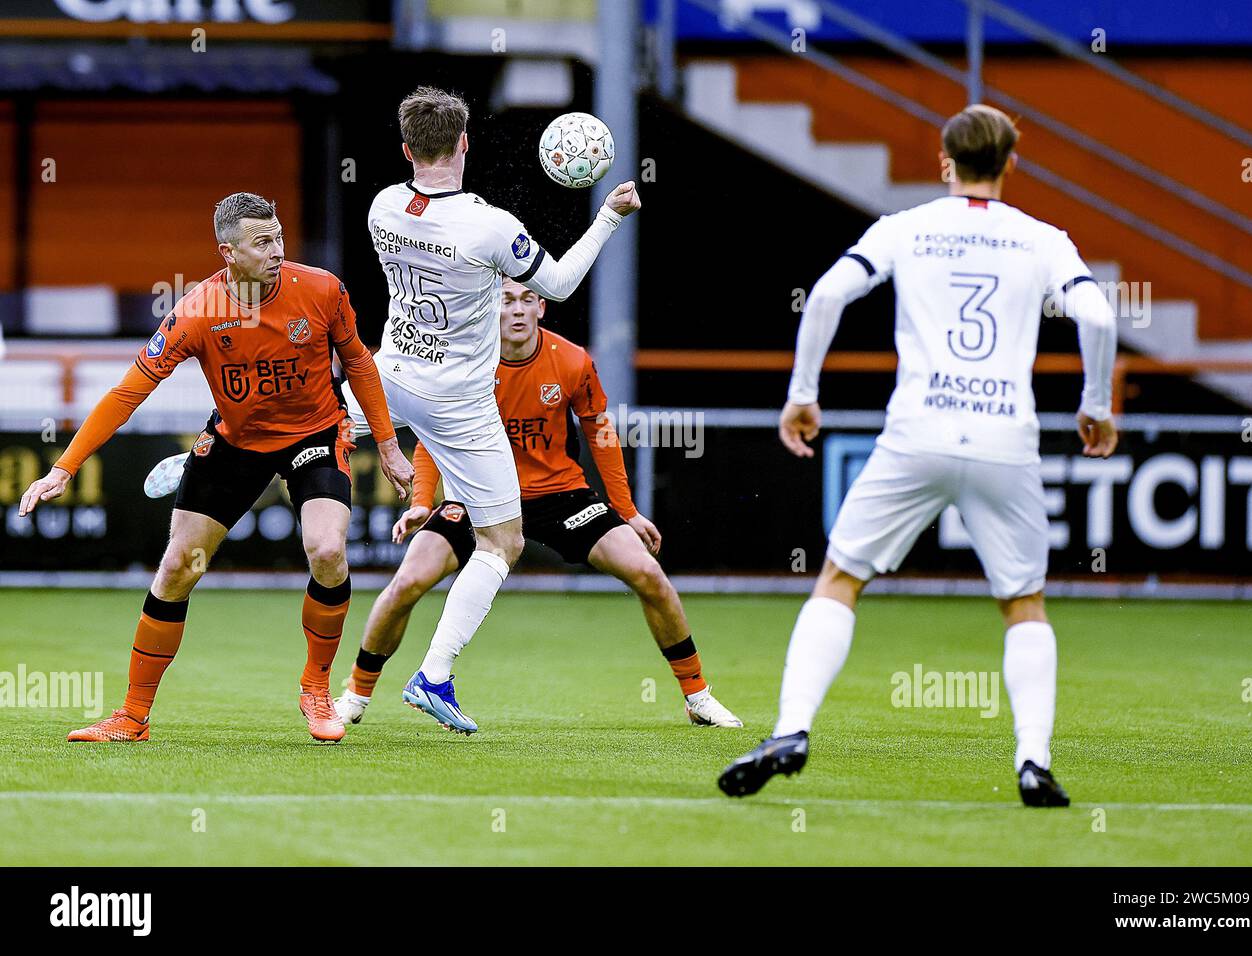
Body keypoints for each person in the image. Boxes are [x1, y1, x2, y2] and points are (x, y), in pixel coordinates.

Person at [717, 105, 1119, 805]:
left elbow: (830, 292)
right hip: (1004, 437)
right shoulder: (1042, 239)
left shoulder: (905, 228)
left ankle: (791, 729)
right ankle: (1032, 761)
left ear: (945, 162)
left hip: (918, 431)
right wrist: (1096, 405)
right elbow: (1100, 315)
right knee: (1024, 602)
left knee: (840, 578)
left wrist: (803, 393)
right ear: (1011, 163)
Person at [18, 192, 413, 743]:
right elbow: (128, 392)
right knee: (179, 566)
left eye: (278, 237)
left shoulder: (322, 289)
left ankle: (316, 687)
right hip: (235, 443)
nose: (276, 250)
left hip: (315, 436)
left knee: (327, 551)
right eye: (262, 242)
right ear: (228, 252)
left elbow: (359, 363)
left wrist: (390, 447)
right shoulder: (196, 312)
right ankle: (131, 717)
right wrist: (64, 467)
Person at [334, 279, 742, 731]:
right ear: (490, 307)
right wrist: (423, 501)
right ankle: (355, 694)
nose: (517, 310)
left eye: (527, 300)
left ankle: (697, 695)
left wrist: (626, 510)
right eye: (506, 300)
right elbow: (436, 437)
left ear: (542, 307)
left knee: (648, 573)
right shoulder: (466, 362)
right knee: (407, 581)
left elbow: (601, 434)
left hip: (559, 496)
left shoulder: (571, 360)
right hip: (476, 499)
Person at [365, 87, 640, 732]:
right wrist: (607, 216)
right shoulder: (491, 227)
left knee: (312, 427)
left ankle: (206, 456)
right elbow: (561, 286)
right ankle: (434, 674)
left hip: (392, 374)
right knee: (502, 540)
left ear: (407, 149)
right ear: (465, 143)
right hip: (457, 399)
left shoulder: (382, 207)